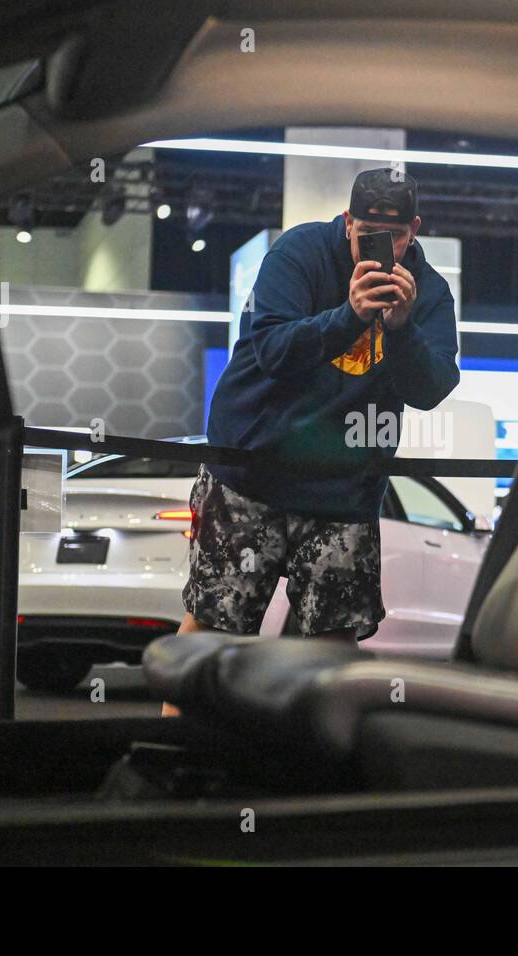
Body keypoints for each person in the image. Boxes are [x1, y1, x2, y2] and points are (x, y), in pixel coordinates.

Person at [163, 169, 459, 716]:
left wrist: (400, 329)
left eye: (393, 235)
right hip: (249, 475)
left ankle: (315, 779)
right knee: (211, 633)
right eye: (367, 229)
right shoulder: (299, 252)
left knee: (333, 648)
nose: (380, 245)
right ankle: (171, 761)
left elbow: (433, 389)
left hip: (343, 492)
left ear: (414, 230)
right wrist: (350, 315)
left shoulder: (429, 292)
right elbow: (273, 349)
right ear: (347, 222)